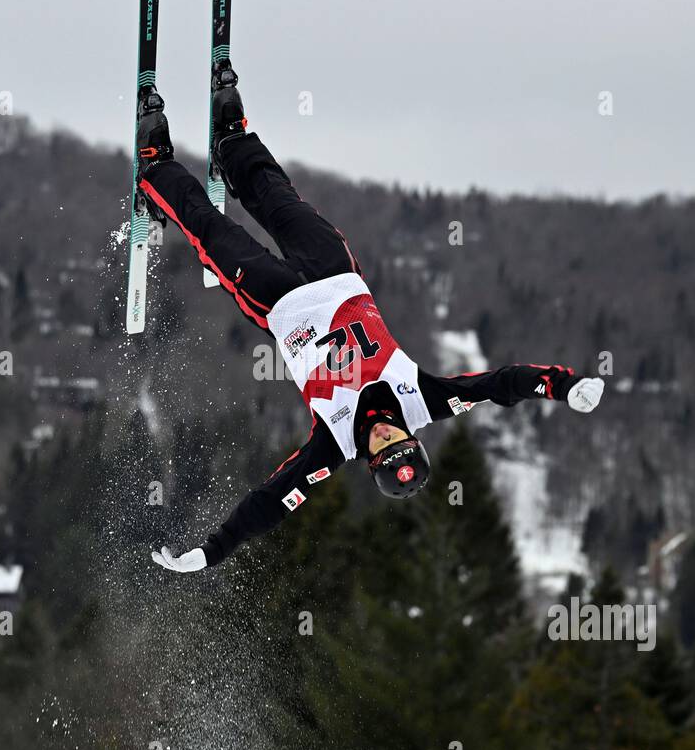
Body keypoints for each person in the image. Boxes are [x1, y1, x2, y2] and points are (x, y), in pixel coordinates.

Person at [138, 62, 605, 573]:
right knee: (276, 196)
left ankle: (156, 166)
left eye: (382, 451)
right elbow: (502, 385)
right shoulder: (426, 400)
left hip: (281, 304)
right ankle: (233, 139)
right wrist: (563, 386)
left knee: (210, 231)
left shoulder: (332, 445)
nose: (385, 437)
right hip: (336, 274)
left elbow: (270, 502)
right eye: (399, 442)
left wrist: (209, 553)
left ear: (371, 461)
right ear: (413, 438)